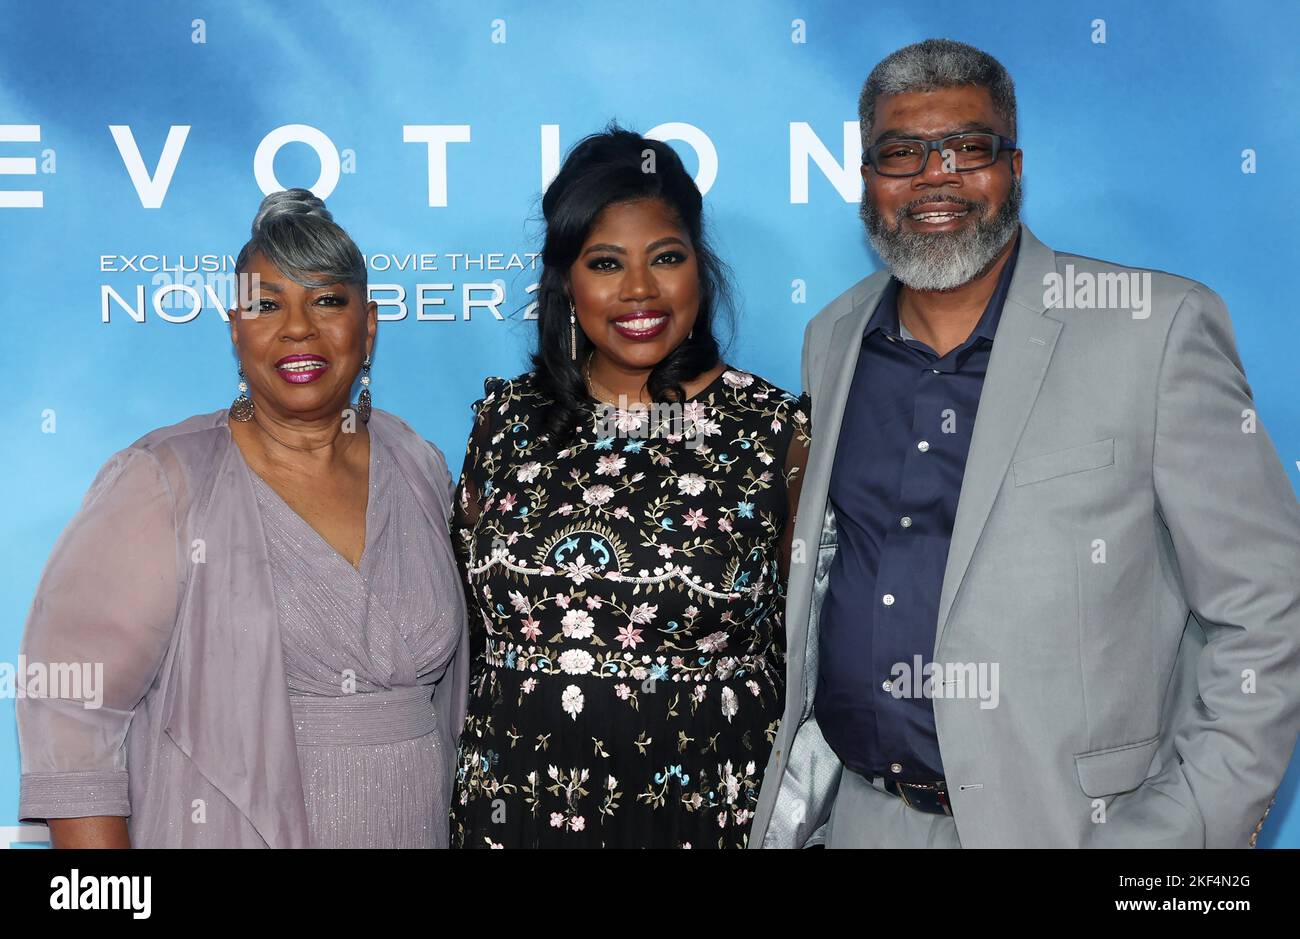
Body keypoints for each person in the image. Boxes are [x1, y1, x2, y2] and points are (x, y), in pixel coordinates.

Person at [752, 38, 1300, 849]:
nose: (935, 176)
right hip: (863, 820)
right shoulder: (833, 337)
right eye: (902, 152)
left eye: (968, 147)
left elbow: (1267, 610)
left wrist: (1175, 839)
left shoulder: (1153, 329)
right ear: (866, 178)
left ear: (1014, 166)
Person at [17, 189, 468, 848]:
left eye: (327, 300)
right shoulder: (163, 480)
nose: (298, 328)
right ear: (235, 328)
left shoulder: (416, 462)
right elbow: (71, 715)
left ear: (368, 327)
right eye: (267, 303)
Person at [449, 126, 811, 848]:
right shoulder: (505, 423)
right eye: (606, 262)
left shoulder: (775, 434)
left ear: (699, 269)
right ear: (565, 280)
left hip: (703, 817)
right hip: (512, 816)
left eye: (666, 258)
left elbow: (814, 653)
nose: (639, 290)